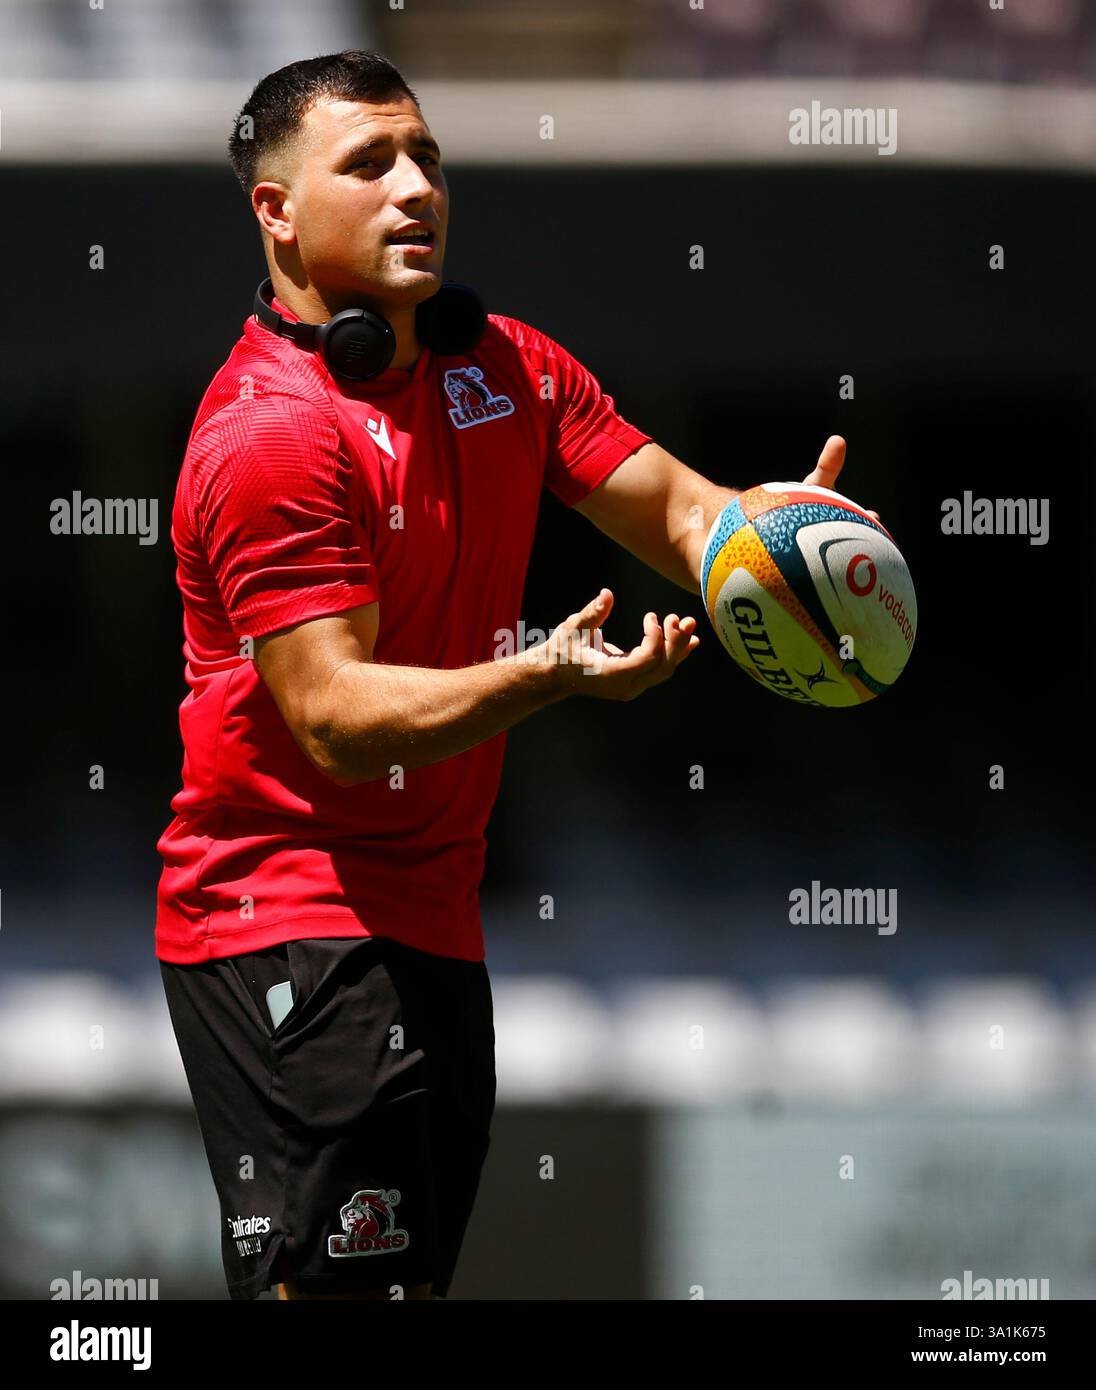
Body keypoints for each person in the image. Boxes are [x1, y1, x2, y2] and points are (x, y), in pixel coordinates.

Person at [156, 49, 855, 1301]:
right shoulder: (271, 432)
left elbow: (686, 517)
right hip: (286, 922)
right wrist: (541, 676)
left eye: (423, 156)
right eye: (366, 164)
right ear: (275, 211)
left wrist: (779, 539)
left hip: (432, 917)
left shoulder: (505, 367)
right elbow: (333, 720)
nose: (413, 186)